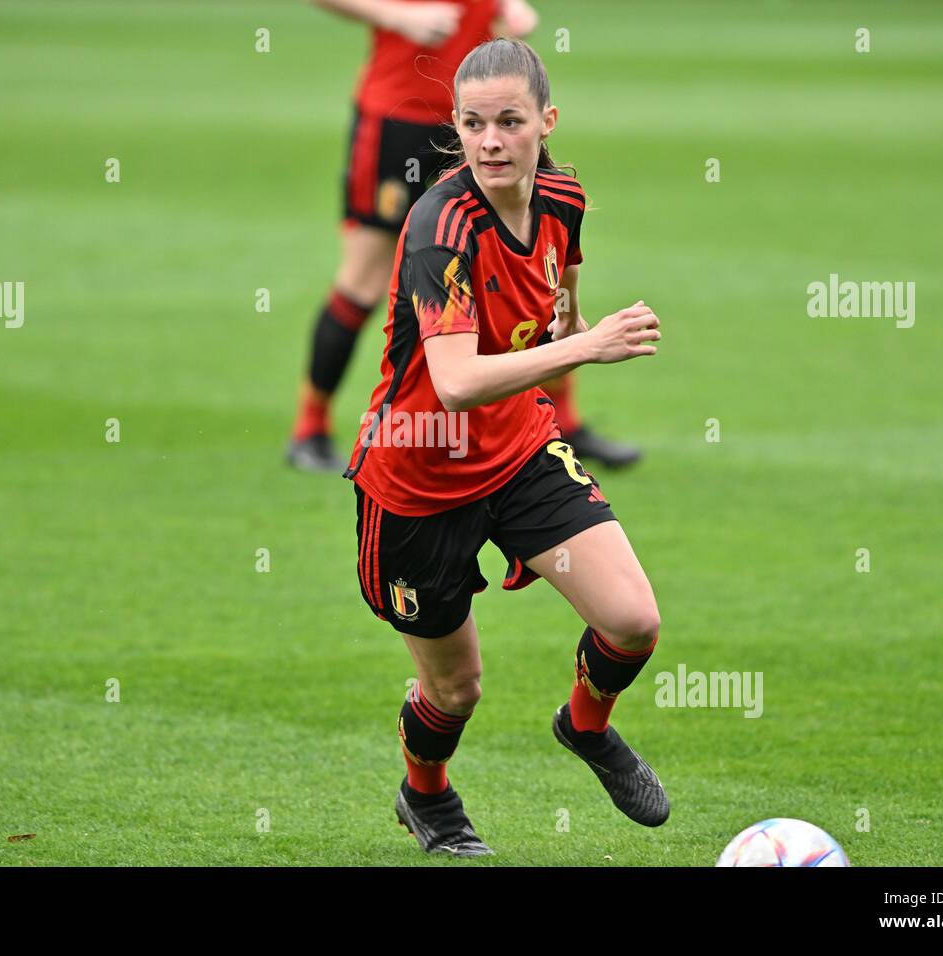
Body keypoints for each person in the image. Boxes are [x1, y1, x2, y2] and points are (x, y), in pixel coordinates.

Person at [343, 37, 668, 856]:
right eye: (474, 123)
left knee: (633, 621)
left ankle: (586, 727)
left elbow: (563, 297)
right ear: (455, 127)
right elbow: (453, 382)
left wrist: (579, 332)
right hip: (415, 481)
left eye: (510, 122)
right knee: (455, 690)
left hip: (518, 450)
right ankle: (427, 796)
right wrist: (584, 352)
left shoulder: (563, 195)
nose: (490, 140)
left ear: (545, 122)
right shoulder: (437, 226)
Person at [288, 0, 643, 473]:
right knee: (365, 280)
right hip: (401, 116)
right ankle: (310, 428)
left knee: (535, 262)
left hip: (487, 116)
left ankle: (563, 422)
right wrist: (398, 16)